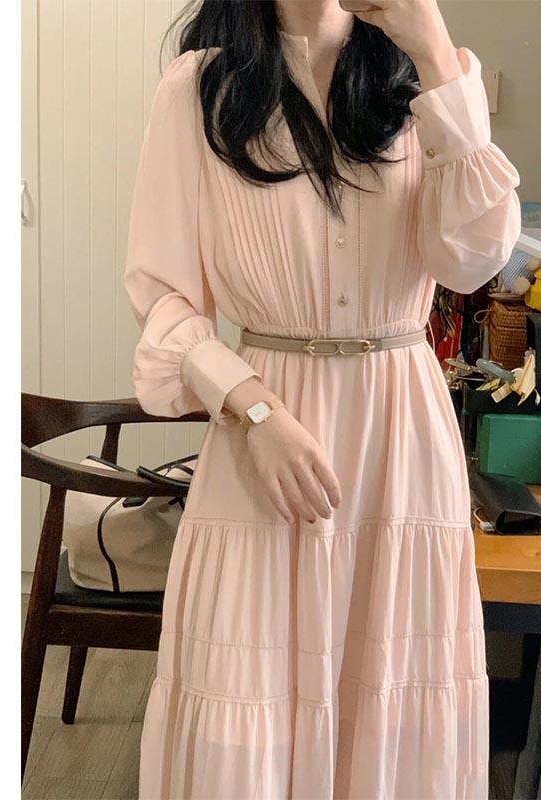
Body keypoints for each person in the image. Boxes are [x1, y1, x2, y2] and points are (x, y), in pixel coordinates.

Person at [124, 0, 521, 797]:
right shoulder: (200, 89)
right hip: (263, 433)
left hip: (400, 432)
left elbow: (473, 259)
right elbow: (164, 296)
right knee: (247, 689)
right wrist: (252, 409)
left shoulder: (427, 81)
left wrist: (434, 49)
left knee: (394, 689)